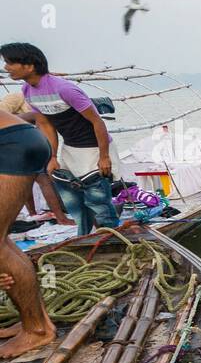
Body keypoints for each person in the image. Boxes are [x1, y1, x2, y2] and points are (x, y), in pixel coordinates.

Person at [1, 43, 120, 236]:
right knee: (72, 200)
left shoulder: (64, 89)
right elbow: (45, 124)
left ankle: (113, 239)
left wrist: (104, 156)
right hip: (70, 148)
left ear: (30, 66)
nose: (6, 67)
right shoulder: (27, 91)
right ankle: (85, 237)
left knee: (98, 201)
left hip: (94, 148)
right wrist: (53, 157)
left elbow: (97, 121)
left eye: (10, 62)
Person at [0, 107, 57, 357]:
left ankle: (37, 330)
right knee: (3, 240)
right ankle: (34, 319)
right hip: (20, 138)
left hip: (11, 144)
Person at [0, 92, 73, 225]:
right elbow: (3, 117)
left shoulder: (44, 100)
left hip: (32, 144)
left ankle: (34, 214)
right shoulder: (17, 97)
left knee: (28, 180)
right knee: (43, 180)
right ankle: (59, 217)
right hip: (20, 144)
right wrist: (33, 116)